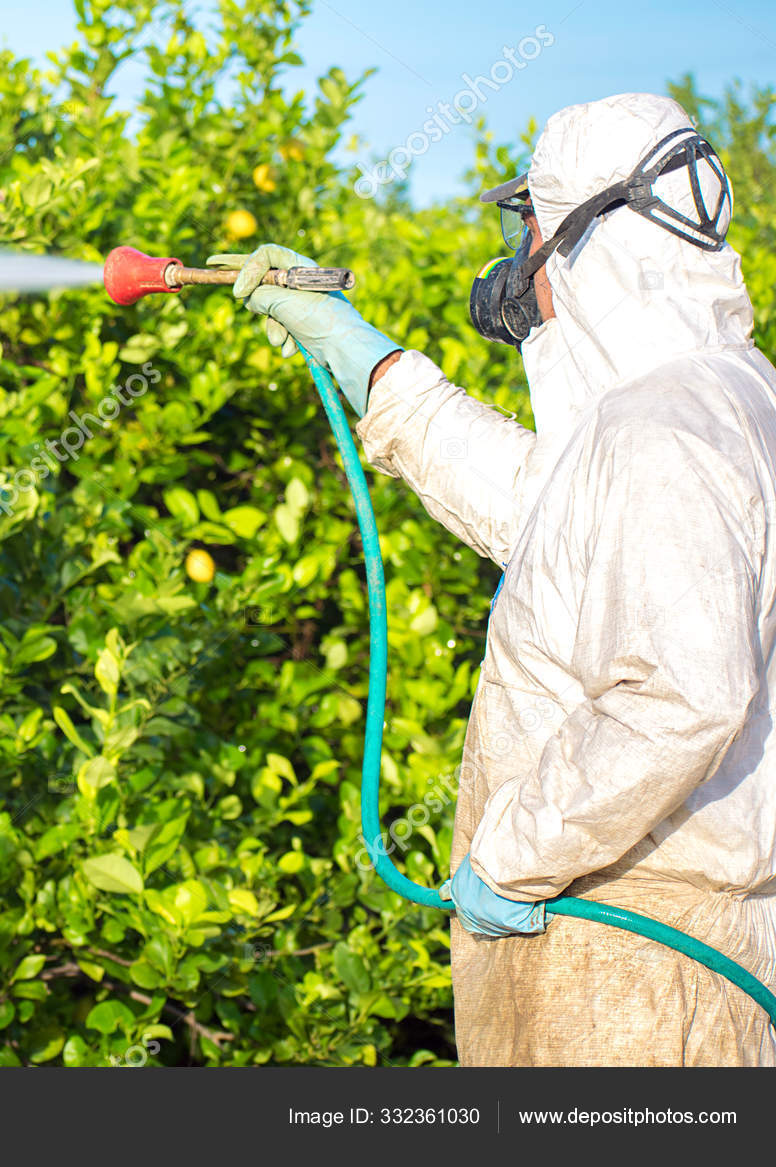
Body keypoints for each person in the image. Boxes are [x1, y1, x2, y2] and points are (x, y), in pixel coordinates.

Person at [211, 92, 776, 1065]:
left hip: (637, 965)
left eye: (535, 237)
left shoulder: (667, 423)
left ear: (601, 237)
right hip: (612, 937)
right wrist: (360, 354)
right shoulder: (690, 401)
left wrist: (514, 857)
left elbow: (684, 693)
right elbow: (540, 516)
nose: (523, 272)